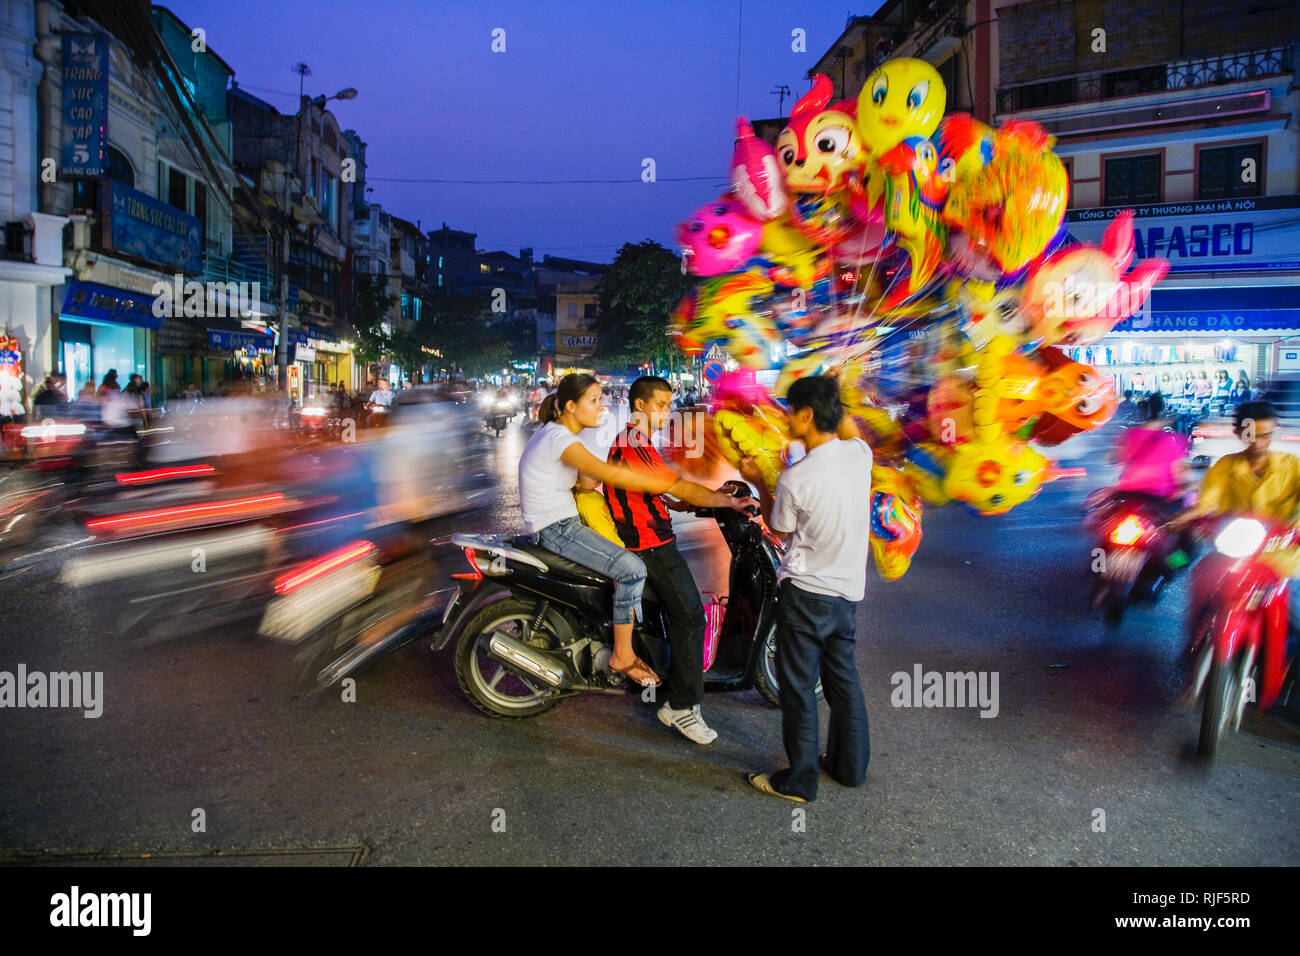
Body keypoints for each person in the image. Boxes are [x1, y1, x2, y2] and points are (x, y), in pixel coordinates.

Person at [521, 373, 755, 689]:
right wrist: (663, 483)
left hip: (562, 522)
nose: (601, 407)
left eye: (601, 400)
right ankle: (622, 654)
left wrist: (671, 495)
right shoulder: (563, 440)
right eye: (593, 400)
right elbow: (606, 473)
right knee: (631, 570)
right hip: (557, 528)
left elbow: (590, 479)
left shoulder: (562, 436)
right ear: (570, 406)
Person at [594, 375, 759, 743]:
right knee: (690, 616)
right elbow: (676, 485)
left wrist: (697, 499)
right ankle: (682, 707)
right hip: (649, 545)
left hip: (655, 536)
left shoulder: (639, 443)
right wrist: (728, 502)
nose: (667, 412)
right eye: (660, 405)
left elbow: (663, 491)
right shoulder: (633, 443)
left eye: (669, 405)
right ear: (639, 405)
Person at [741, 375, 873, 803]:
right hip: (846, 595)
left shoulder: (796, 478)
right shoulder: (859, 455)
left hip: (805, 595)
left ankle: (799, 781)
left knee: (798, 688)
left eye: (790, 410)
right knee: (844, 682)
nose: (784, 417)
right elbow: (848, 425)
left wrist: (758, 479)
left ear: (807, 415)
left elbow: (779, 528)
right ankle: (849, 769)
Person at [1171, 400, 1300, 634]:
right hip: (1235, 554)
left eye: (1266, 435)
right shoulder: (1225, 466)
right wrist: (1185, 517)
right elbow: (1207, 501)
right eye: (1252, 434)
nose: (1259, 442)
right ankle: (1196, 640)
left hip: (1285, 559)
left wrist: (1295, 527)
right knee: (1201, 578)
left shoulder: (1293, 467)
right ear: (1238, 433)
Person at [1111, 393, 1189, 512]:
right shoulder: (1171, 439)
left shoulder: (1131, 435)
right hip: (1157, 497)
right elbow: (1178, 474)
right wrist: (1185, 486)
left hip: (1128, 493)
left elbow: (1120, 464)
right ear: (1163, 412)